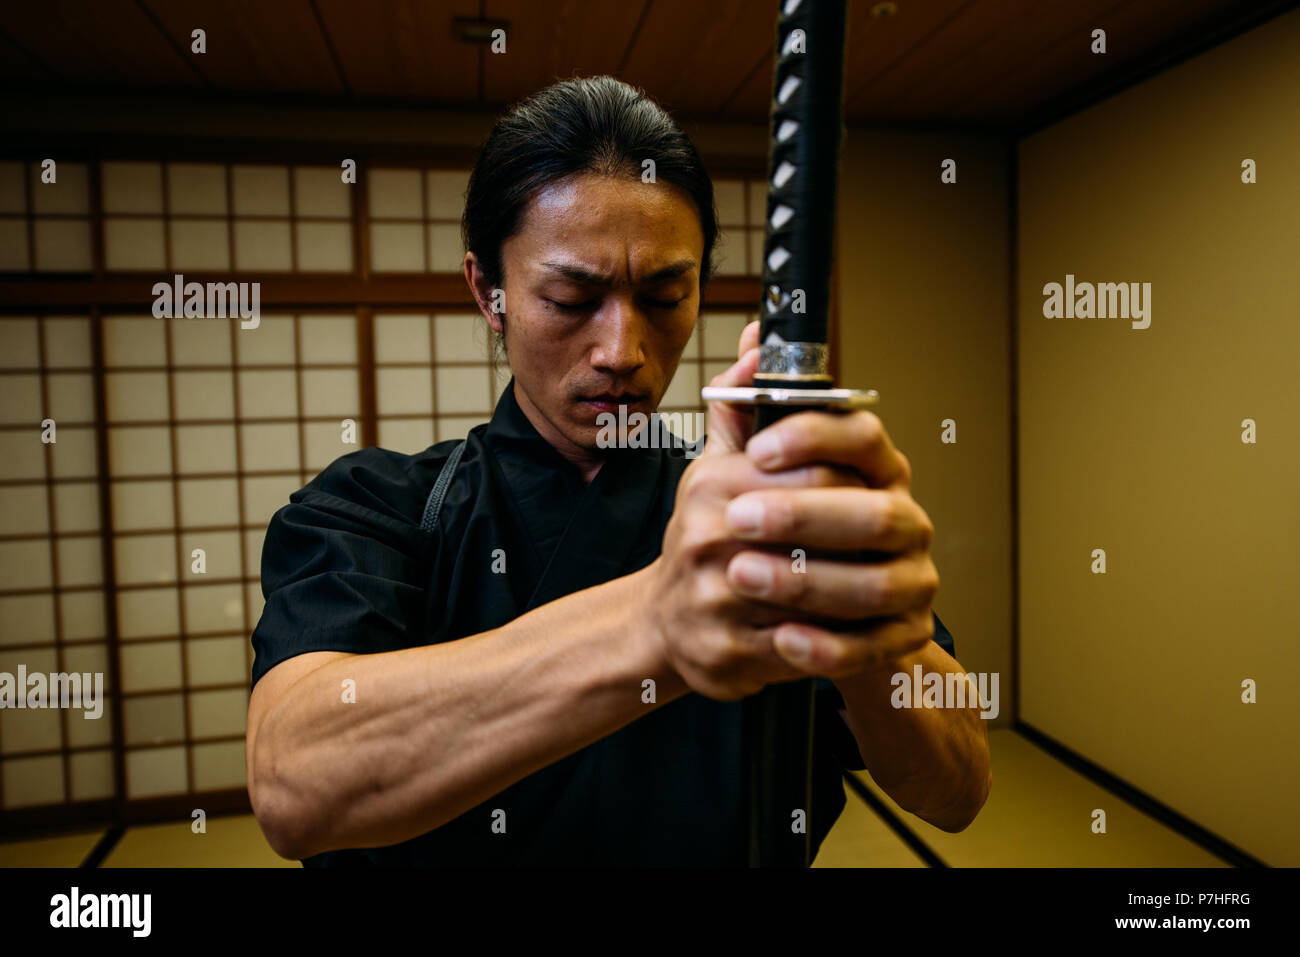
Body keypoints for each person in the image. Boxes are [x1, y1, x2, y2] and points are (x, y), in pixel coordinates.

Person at [245, 75, 991, 866]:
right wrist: (657, 621)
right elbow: (295, 783)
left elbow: (957, 790)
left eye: (666, 295)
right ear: (488, 292)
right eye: (572, 298)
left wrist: (866, 621)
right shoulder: (381, 506)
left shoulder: (758, 512)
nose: (622, 352)